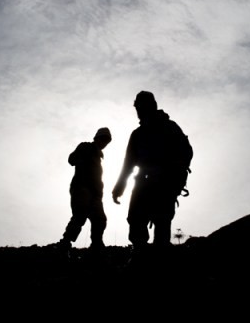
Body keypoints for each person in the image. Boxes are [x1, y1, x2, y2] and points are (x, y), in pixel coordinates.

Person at [112, 91, 193, 249]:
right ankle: (141, 258)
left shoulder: (169, 127)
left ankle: (158, 261)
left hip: (165, 183)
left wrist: (176, 175)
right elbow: (128, 164)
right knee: (136, 221)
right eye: (137, 107)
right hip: (144, 182)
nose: (138, 111)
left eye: (141, 107)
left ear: (151, 106)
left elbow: (186, 151)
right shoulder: (137, 134)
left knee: (161, 224)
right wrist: (119, 187)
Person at [59, 127, 112, 250]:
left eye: (106, 141)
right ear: (97, 138)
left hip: (95, 194)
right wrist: (82, 162)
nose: (104, 143)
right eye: (103, 139)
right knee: (80, 215)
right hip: (81, 187)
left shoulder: (99, 158)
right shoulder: (85, 147)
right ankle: (65, 243)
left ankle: (96, 245)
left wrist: (99, 193)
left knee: (100, 219)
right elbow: (71, 159)